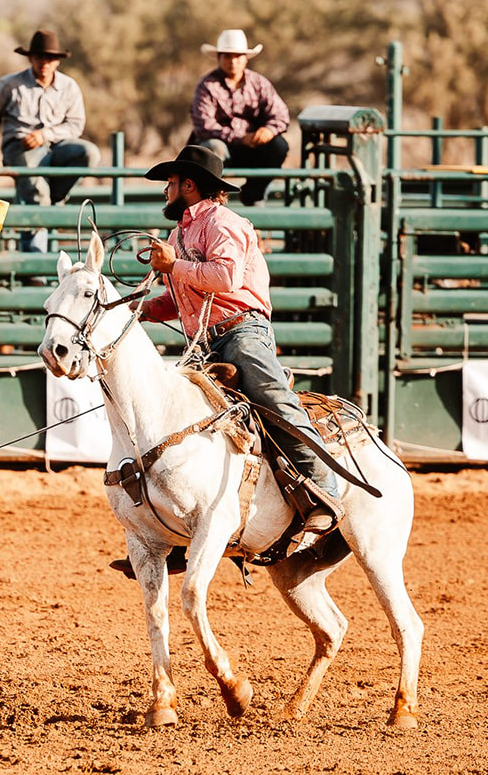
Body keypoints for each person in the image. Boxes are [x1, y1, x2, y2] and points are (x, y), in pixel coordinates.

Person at [136, 144, 341, 559]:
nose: (166, 191)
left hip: (240, 332)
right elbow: (181, 295)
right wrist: (144, 308)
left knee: (274, 401)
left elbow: (225, 278)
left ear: (189, 185)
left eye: (170, 183)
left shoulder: (224, 223)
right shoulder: (179, 235)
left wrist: (173, 266)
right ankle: (175, 526)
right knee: (178, 421)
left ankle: (324, 492)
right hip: (205, 342)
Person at [0, 29, 100, 251]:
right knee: (36, 193)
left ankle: (54, 199)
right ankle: (35, 257)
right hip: (20, 147)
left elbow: (75, 125)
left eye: (50, 58)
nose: (45, 63)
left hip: (57, 146)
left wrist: (45, 135)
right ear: (31, 58)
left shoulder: (68, 86)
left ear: (57, 61)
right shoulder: (9, 85)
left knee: (89, 153)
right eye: (40, 57)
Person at [189, 29, 291, 207]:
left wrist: (268, 131)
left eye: (238, 56)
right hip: (221, 150)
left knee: (279, 146)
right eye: (227, 56)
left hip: (253, 148)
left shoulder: (259, 83)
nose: (233, 61)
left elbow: (280, 114)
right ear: (219, 58)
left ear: (245, 59)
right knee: (213, 147)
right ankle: (210, 202)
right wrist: (240, 138)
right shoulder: (206, 86)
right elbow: (204, 126)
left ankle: (253, 194)